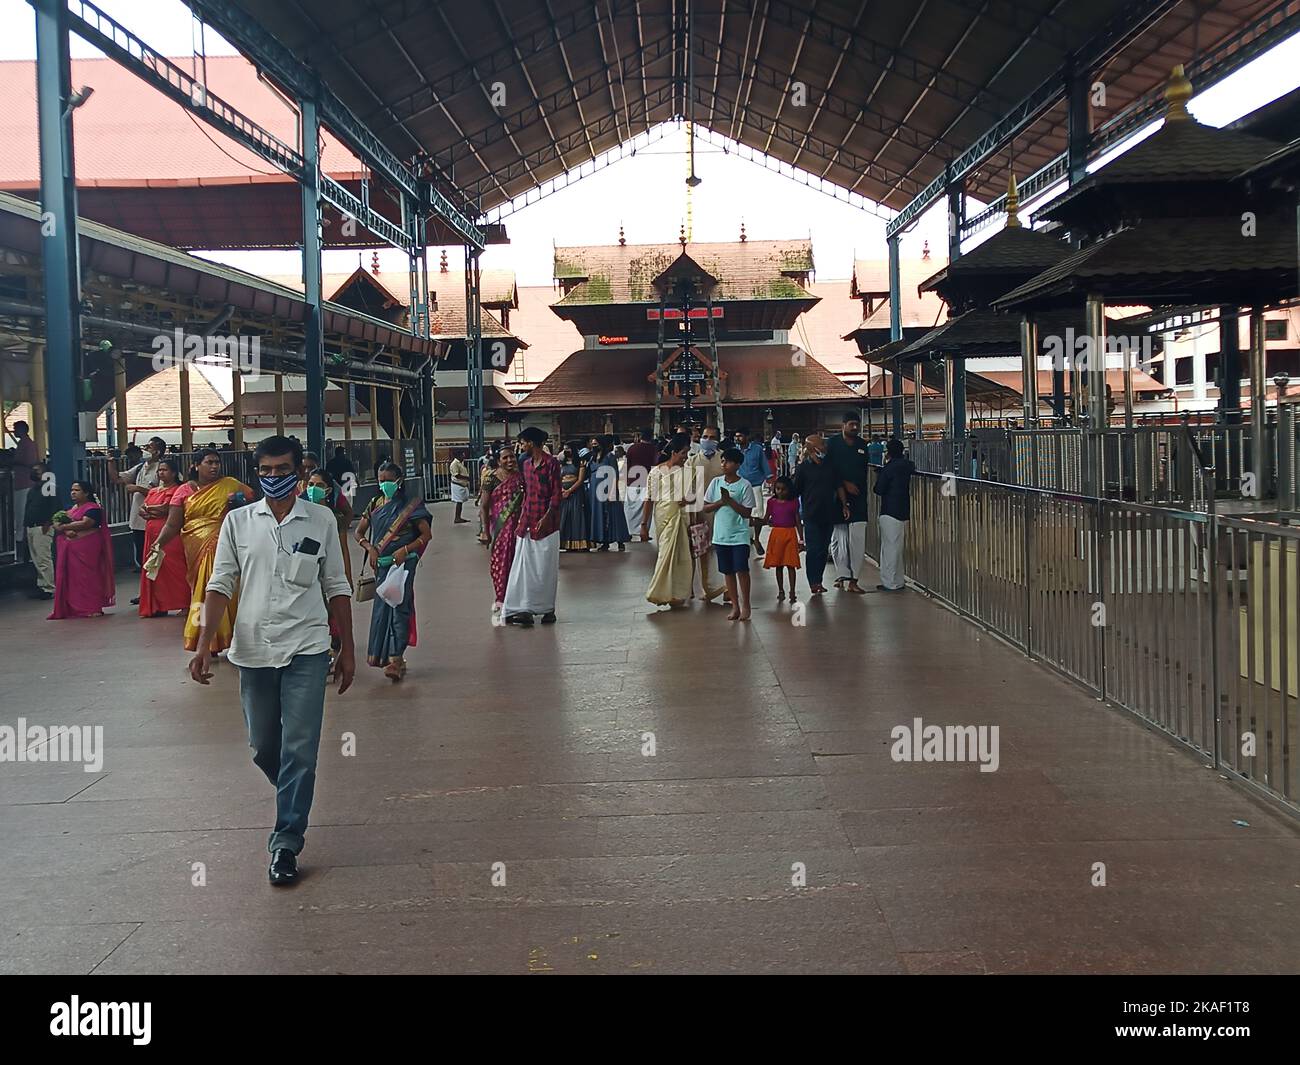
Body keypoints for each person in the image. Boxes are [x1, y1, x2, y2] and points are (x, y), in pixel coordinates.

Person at [190, 435, 354, 887]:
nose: (274, 477)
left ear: (299, 471)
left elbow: (337, 585)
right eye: (266, 470)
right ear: (255, 471)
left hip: (307, 646)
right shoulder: (239, 522)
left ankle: (286, 841)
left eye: (283, 470)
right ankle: (292, 793)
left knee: (300, 749)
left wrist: (348, 650)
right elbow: (220, 584)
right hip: (253, 649)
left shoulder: (321, 519)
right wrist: (205, 642)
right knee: (265, 747)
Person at [152, 448, 253, 653]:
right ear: (196, 465)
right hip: (197, 549)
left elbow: (253, 509)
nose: (214, 466)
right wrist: (158, 544)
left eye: (216, 462)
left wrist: (239, 504)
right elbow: (173, 524)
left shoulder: (232, 485)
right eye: (209, 462)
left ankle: (232, 636)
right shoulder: (184, 491)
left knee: (231, 591)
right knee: (203, 592)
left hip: (228, 546)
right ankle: (206, 640)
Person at [355, 462, 432, 681]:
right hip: (381, 564)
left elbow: (426, 535)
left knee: (399, 606)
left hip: (403, 565)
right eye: (381, 480)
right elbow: (359, 532)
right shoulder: (375, 503)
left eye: (389, 480)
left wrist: (406, 549)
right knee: (382, 610)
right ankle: (386, 656)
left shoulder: (411, 506)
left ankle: (396, 657)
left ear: (399, 481)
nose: (385, 484)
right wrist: (369, 548)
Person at [503, 427, 562, 627]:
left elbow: (556, 495)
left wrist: (547, 517)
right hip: (527, 521)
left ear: (531, 443)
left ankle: (547, 608)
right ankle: (523, 607)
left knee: (545, 567)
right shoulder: (525, 464)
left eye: (523, 442)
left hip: (548, 525)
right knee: (524, 567)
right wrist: (522, 517)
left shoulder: (552, 464)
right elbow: (527, 493)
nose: (521, 446)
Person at [48, 480, 115, 619]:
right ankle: (74, 607)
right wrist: (66, 531)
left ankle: (92, 607)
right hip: (70, 548)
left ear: (86, 493)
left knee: (88, 577)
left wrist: (65, 527)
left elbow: (87, 523)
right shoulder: (70, 509)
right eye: (72, 490)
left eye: (77, 490)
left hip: (87, 549)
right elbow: (56, 522)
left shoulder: (93, 508)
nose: (73, 492)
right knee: (72, 578)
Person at [703, 447, 756, 622]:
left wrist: (730, 501)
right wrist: (721, 501)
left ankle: (746, 604)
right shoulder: (716, 483)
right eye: (723, 461)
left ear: (737, 464)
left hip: (739, 535)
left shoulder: (744, 485)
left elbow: (747, 512)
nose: (723, 464)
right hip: (721, 535)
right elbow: (706, 506)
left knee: (741, 569)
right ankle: (735, 606)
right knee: (728, 572)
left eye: (728, 461)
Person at [644, 433, 693, 607]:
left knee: (681, 556)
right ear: (674, 452)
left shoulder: (688, 472)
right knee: (665, 554)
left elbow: (695, 495)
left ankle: (677, 594)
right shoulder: (656, 472)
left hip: (681, 516)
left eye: (687, 453)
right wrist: (644, 524)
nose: (685, 457)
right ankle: (658, 592)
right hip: (663, 516)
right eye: (683, 453)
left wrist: (688, 499)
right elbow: (649, 499)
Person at [138, 457, 190, 617]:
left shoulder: (178, 490)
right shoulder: (153, 491)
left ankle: (184, 603)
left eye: (165, 470)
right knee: (154, 568)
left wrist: (151, 510)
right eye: (159, 470)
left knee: (175, 568)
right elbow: (142, 510)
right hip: (151, 533)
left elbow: (165, 509)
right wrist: (151, 510)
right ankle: (158, 605)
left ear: (174, 473)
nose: (161, 473)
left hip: (170, 534)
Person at [827, 412, 871, 594]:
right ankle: (842, 574)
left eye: (857, 424)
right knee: (839, 539)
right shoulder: (832, 444)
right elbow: (828, 469)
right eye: (851, 424)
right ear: (843, 425)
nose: (855, 427)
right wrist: (845, 484)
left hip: (859, 498)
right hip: (836, 497)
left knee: (857, 539)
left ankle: (854, 579)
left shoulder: (862, 445)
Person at [112, 436, 164, 588]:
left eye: (150, 447)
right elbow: (117, 479)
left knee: (153, 557)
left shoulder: (161, 468)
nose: (146, 450)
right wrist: (110, 461)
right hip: (137, 520)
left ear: (158, 451)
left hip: (154, 519)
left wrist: (138, 488)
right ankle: (145, 591)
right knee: (141, 557)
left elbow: (163, 493)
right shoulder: (140, 467)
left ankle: (156, 590)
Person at [792, 433, 839, 595]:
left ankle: (819, 579)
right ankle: (813, 582)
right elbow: (795, 490)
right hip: (811, 513)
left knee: (823, 549)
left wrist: (844, 504)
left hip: (829, 513)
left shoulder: (830, 465)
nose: (824, 448)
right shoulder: (803, 468)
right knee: (813, 549)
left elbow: (837, 485)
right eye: (821, 445)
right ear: (812, 449)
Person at [684, 427, 726, 602]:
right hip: (699, 512)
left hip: (722, 511)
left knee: (722, 550)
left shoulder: (724, 459)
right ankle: (697, 587)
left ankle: (725, 587)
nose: (708, 440)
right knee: (699, 550)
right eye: (705, 437)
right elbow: (688, 489)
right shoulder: (692, 461)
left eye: (712, 437)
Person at [483, 448, 524, 617]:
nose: (509, 461)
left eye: (512, 457)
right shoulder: (491, 478)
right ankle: (502, 599)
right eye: (505, 458)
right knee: (501, 564)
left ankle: (518, 602)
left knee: (518, 564)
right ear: (499, 461)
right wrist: (485, 532)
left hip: (519, 529)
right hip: (500, 529)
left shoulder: (521, 477)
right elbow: (484, 506)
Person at [302, 466, 355, 587]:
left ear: (328, 490)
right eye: (311, 484)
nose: (313, 489)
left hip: (330, 567)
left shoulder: (335, 518)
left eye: (319, 486)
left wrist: (348, 578)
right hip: (306, 570)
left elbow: (343, 549)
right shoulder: (301, 513)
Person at [874, 438, 915, 592]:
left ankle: (890, 582)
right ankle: (898, 581)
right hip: (903, 510)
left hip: (889, 511)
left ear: (888, 453)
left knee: (889, 548)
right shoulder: (907, 466)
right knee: (897, 548)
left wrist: (880, 474)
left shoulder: (888, 469)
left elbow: (878, 489)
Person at [762, 475, 803, 601]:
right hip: (777, 535)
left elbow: (797, 521)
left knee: (791, 564)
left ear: (789, 490)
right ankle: (781, 590)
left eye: (783, 489)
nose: (780, 492)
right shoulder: (771, 502)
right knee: (778, 564)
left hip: (790, 534)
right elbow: (766, 518)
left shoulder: (794, 502)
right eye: (778, 489)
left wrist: (801, 539)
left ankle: (792, 590)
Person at [586, 434, 629, 551]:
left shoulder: (610, 457)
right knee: (600, 515)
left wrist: (612, 492)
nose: (594, 446)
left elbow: (614, 475)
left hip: (608, 488)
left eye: (596, 444)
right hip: (595, 490)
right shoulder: (592, 458)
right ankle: (604, 541)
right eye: (593, 444)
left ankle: (620, 540)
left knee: (614, 514)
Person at [24, 460, 59, 600]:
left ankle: (48, 587)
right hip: (31, 527)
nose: (34, 473)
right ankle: (42, 585)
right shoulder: (33, 490)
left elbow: (55, 507)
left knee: (43, 558)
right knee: (37, 559)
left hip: (42, 527)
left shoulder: (50, 487)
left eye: (37, 471)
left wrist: (48, 523)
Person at [734, 427, 769, 556]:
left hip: (755, 484)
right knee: (743, 513)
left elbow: (764, 463)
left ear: (748, 437)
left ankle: (757, 539)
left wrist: (769, 477)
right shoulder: (734, 451)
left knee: (758, 513)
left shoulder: (757, 449)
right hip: (739, 485)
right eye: (736, 436)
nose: (738, 438)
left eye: (740, 436)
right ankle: (747, 538)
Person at [8, 420, 37, 554]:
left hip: (24, 483)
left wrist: (14, 461)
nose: (13, 431)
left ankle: (20, 543)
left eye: (15, 429)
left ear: (21, 429)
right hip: (22, 483)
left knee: (21, 513)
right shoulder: (26, 443)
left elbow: (29, 462)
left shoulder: (26, 444)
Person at [624, 428, 659, 540]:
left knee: (631, 507)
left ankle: (628, 531)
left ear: (640, 438)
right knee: (645, 507)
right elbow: (655, 464)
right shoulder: (653, 449)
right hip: (647, 480)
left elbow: (628, 463)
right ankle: (643, 532)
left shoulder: (632, 448)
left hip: (632, 480)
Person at [558, 443, 590, 552]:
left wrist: (569, 490)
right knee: (565, 517)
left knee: (577, 516)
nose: (566, 450)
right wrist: (562, 490)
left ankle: (580, 543)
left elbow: (580, 480)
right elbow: (558, 478)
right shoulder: (562, 463)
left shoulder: (580, 462)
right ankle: (566, 543)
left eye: (568, 448)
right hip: (563, 494)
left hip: (576, 493)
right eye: (564, 449)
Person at [449, 448, 471, 524]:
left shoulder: (460, 462)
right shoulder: (454, 464)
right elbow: (456, 475)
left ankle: (458, 517)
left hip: (462, 484)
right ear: (459, 455)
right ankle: (457, 518)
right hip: (457, 485)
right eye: (462, 455)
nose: (464, 456)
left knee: (460, 502)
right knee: (459, 501)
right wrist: (467, 478)